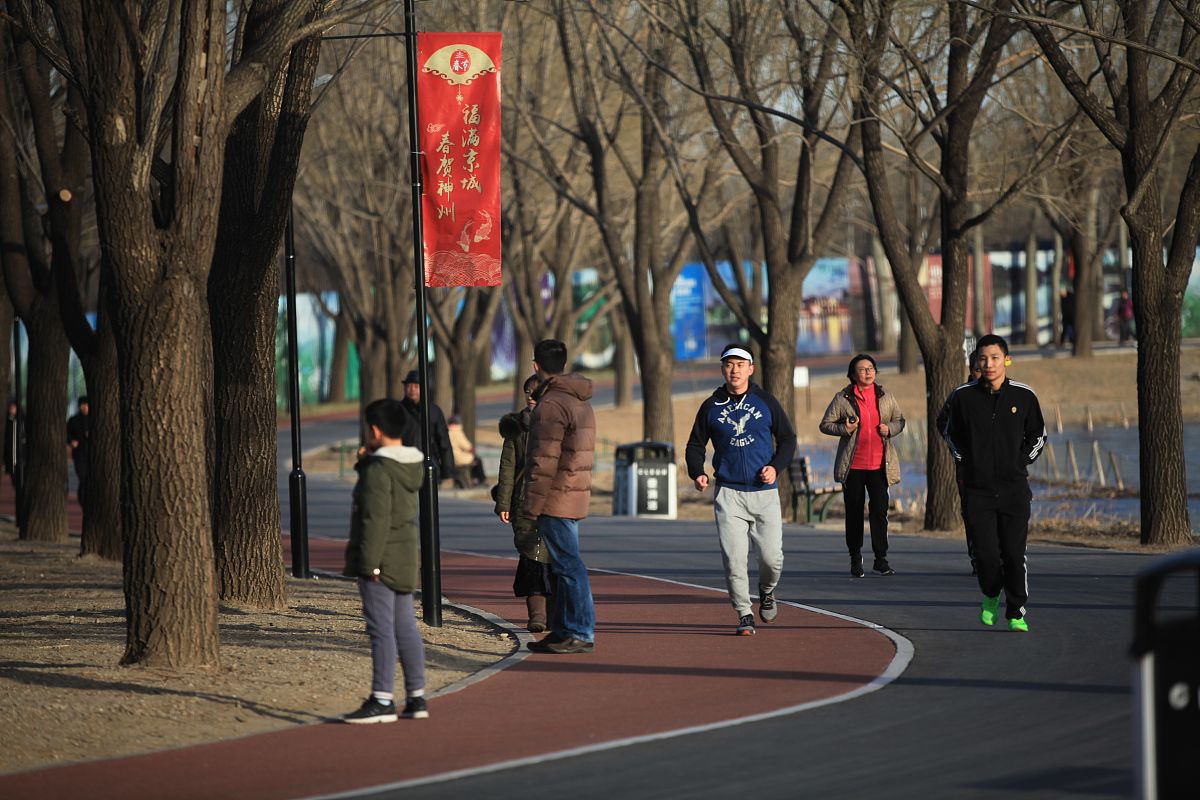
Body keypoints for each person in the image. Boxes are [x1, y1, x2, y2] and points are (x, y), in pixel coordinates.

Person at [685, 343, 797, 636]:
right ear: (723, 369)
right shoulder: (711, 406)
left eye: (739, 364)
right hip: (729, 494)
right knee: (734, 558)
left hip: (765, 493)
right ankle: (744, 612)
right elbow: (695, 444)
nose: (734, 370)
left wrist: (775, 466)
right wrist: (697, 472)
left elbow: (787, 439)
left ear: (750, 369)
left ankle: (767, 589)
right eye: (728, 365)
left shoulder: (765, 401)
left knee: (772, 559)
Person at [938, 334, 1046, 633]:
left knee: (1013, 553)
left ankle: (1016, 611)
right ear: (976, 362)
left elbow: (1038, 434)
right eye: (983, 359)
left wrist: (1021, 460)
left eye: (995, 358)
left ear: (1006, 360)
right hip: (978, 490)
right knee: (985, 555)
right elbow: (949, 431)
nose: (989, 364)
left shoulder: (1024, 395)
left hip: (1014, 489)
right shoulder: (963, 396)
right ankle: (989, 595)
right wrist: (964, 459)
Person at [341, 398, 430, 723]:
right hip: (405, 553)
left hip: (382, 557)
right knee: (405, 626)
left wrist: (369, 564)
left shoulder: (379, 470)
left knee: (381, 629)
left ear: (375, 430)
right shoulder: (408, 464)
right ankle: (417, 697)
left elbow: (374, 520)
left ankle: (382, 699)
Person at [523, 339, 597, 655]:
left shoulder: (551, 405)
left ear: (535, 366)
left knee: (568, 566)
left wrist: (530, 505)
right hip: (573, 491)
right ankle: (565, 629)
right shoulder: (579, 399)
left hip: (556, 495)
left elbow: (543, 460)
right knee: (563, 566)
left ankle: (580, 631)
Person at [819, 353, 905, 578]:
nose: (867, 372)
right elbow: (825, 424)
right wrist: (845, 429)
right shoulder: (843, 398)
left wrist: (890, 429)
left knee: (879, 511)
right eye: (862, 369)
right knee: (854, 513)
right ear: (852, 375)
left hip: (879, 466)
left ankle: (881, 559)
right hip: (853, 467)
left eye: (870, 368)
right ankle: (855, 559)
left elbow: (899, 420)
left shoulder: (885, 396)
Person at [494, 374, 555, 632]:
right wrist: (503, 503)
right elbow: (507, 467)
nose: (531, 395)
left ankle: (554, 616)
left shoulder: (557, 424)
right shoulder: (516, 428)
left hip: (553, 502)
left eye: (535, 391)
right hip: (523, 503)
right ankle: (537, 616)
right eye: (527, 391)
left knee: (553, 559)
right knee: (531, 557)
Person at [938, 349, 983, 575]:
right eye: (978, 369)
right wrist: (959, 453)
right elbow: (942, 424)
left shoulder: (1010, 394)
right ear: (971, 370)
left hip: (1003, 469)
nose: (983, 372)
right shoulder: (959, 395)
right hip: (969, 468)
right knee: (973, 512)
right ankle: (978, 558)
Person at [399, 370, 454, 483]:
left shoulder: (434, 411)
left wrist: (448, 471)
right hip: (405, 466)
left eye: (416, 386)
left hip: (430, 465)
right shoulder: (398, 410)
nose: (412, 390)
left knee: (430, 498)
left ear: (423, 388)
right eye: (409, 386)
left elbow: (443, 442)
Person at [447, 415, 486, 488]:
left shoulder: (447, 431)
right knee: (477, 460)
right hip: (458, 458)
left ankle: (472, 480)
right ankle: (479, 480)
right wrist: (472, 450)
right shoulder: (456, 431)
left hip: (450, 457)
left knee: (473, 460)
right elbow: (467, 446)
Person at [66, 396, 90, 509]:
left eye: (86, 405)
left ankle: (86, 499)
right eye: (82, 405)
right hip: (79, 455)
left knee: (89, 480)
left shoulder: (93, 419)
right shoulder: (73, 420)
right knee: (83, 478)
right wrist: (71, 441)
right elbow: (67, 434)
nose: (84, 407)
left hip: (91, 455)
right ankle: (83, 499)